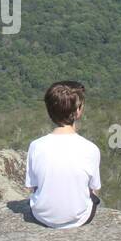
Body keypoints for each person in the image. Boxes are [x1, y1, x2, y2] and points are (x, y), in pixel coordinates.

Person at [24, 81, 101, 228]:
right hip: (79, 219)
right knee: (93, 195)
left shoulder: (36, 146)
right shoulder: (91, 149)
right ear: (78, 111)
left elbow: (33, 186)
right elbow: (94, 188)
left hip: (41, 216)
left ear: (49, 111)